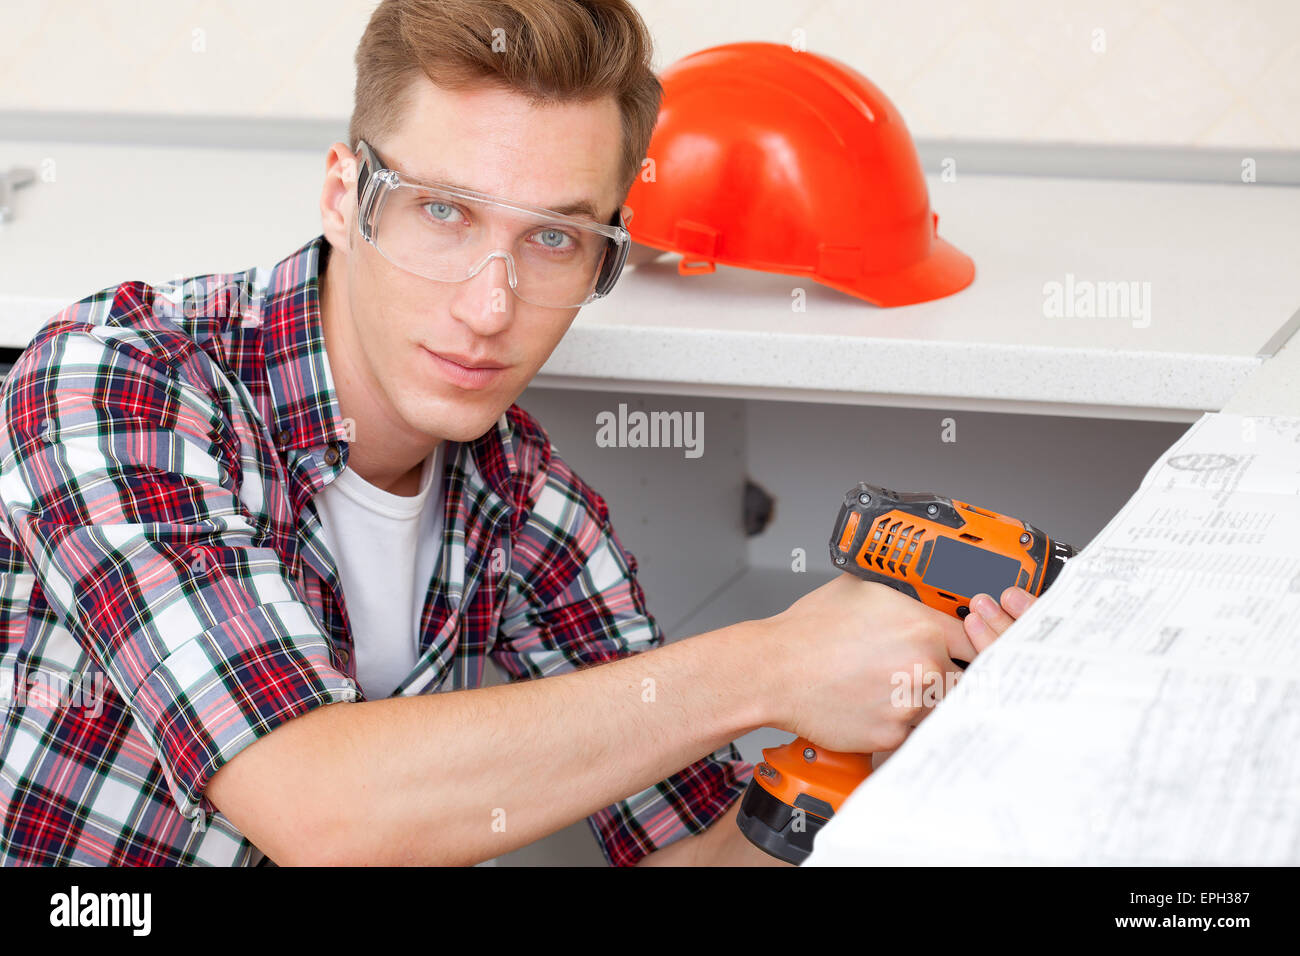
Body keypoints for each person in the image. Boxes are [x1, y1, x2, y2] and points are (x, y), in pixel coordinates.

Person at [0, 0, 1034, 867]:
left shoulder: (529, 506)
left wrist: (846, 759)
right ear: (342, 194)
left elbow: (687, 853)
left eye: (553, 237)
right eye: (443, 213)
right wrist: (770, 665)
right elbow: (310, 798)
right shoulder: (119, 378)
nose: (491, 305)